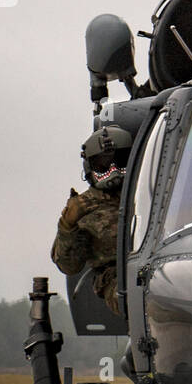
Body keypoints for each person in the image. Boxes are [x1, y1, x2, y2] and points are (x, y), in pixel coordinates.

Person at [52, 125, 132, 316]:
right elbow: (69, 266)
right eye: (103, 166)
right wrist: (68, 225)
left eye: (119, 162)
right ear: (89, 168)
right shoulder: (82, 208)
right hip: (117, 278)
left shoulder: (148, 189)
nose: (112, 171)